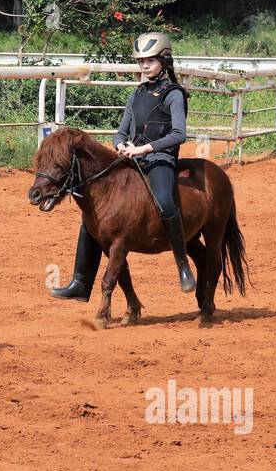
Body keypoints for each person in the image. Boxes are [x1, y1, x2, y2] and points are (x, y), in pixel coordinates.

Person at [50, 31, 196, 299]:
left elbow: (179, 135)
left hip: (160, 160)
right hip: (131, 159)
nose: (144, 66)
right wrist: (120, 145)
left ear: (164, 59)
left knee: (164, 200)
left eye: (149, 61)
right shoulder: (137, 93)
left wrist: (143, 148)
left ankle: (183, 265)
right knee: (92, 213)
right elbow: (121, 131)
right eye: (141, 61)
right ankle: (81, 282)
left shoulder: (174, 94)